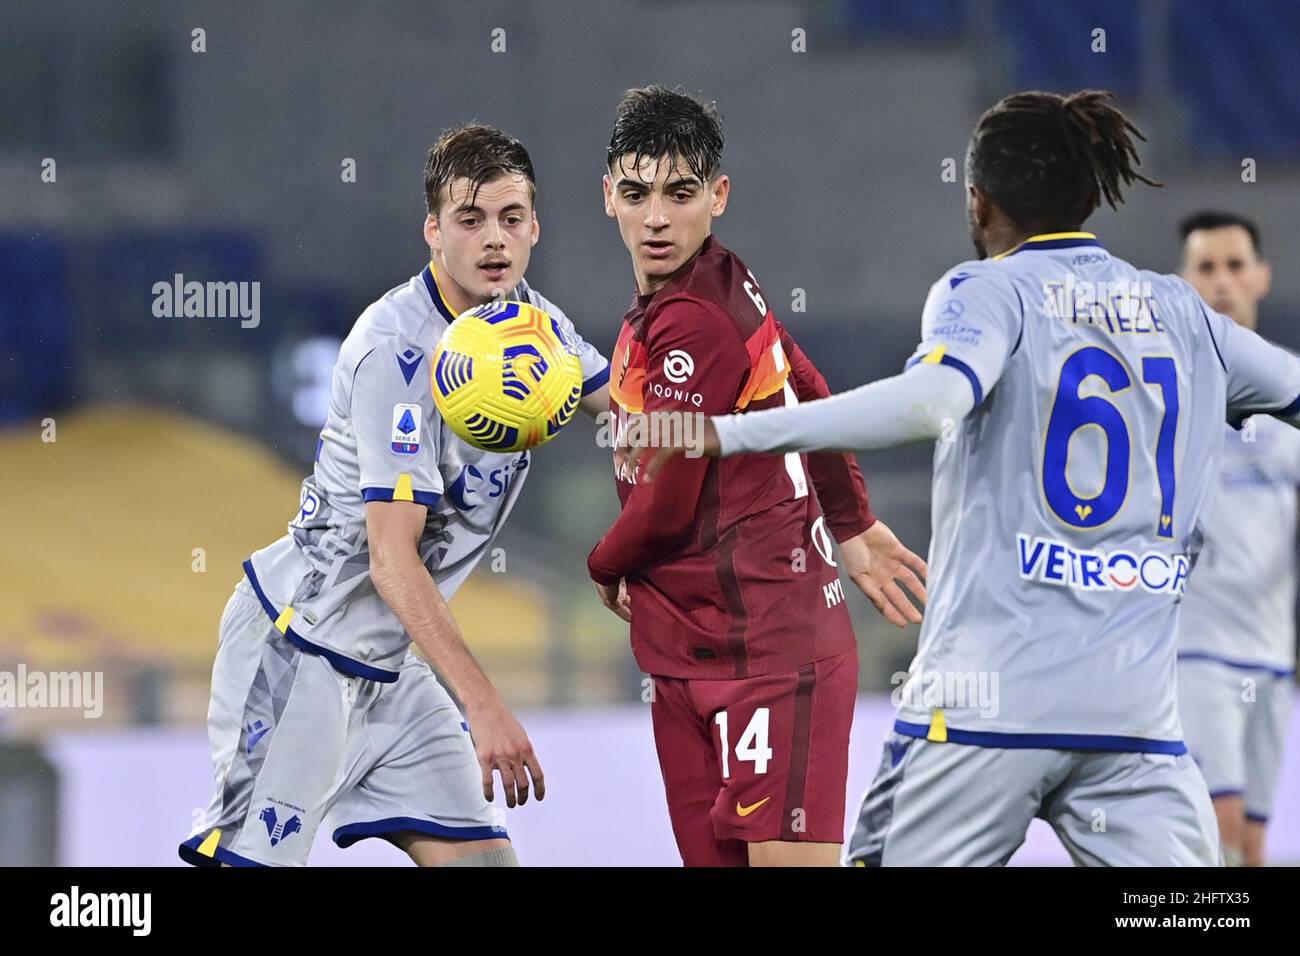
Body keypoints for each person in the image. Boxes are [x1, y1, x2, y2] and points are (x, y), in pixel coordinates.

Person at [635, 90, 1300, 866]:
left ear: (979, 202)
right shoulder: (1189, 318)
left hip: (983, 713)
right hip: (1135, 726)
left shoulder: (987, 291)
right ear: (1092, 198)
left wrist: (730, 432)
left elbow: (934, 399)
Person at [180, 124, 610, 867]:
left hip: (388, 669)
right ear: (433, 231)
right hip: (302, 652)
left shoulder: (535, 324)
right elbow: (390, 559)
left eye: (511, 218)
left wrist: (766, 440)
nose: (495, 240)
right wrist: (483, 703)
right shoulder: (397, 353)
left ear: (535, 226)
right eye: (470, 219)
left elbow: (635, 416)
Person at [589, 86, 927, 867]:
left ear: (718, 195)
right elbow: (803, 380)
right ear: (609, 195)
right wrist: (850, 519)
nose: (657, 218)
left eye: (680, 194)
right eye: (637, 195)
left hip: (772, 654)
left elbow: (669, 498)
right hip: (689, 650)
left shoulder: (694, 319)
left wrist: (602, 564)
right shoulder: (715, 283)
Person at [1175, 211, 1299, 866]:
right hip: (1193, 652)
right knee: (1216, 830)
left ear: (1261, 276)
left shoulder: (1293, 392)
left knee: (1251, 844)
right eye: (1205, 268)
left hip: (1272, 655)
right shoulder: (1163, 397)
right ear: (1182, 282)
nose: (1222, 281)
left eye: (1234, 265)